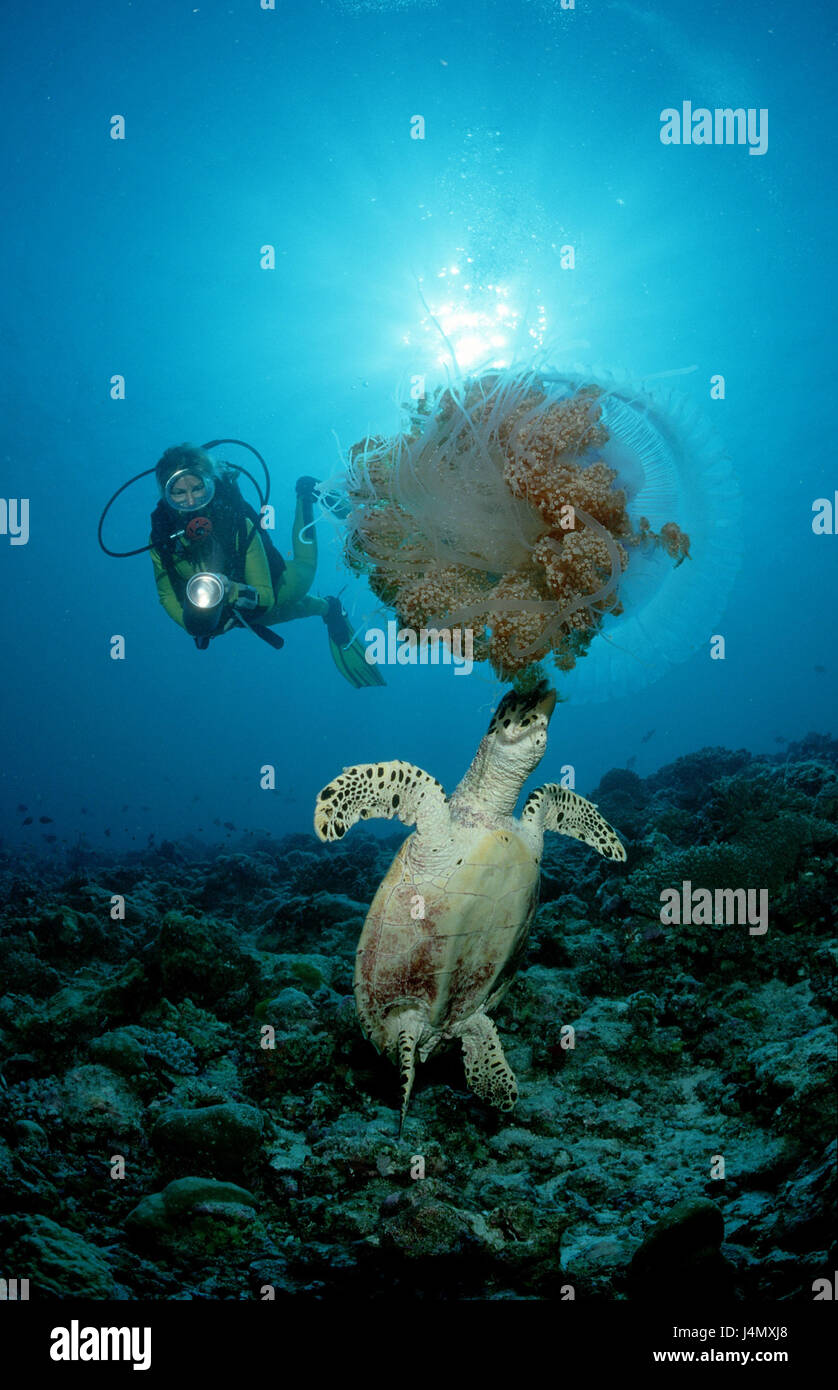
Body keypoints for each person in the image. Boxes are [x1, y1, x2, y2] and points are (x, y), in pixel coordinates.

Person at [149, 444, 383, 687]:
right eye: (178, 493)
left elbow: (267, 597)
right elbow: (166, 594)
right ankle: (330, 609)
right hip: (242, 617)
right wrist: (194, 625)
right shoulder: (160, 538)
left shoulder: (237, 522)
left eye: (198, 488)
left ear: (209, 483)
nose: (191, 501)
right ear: (165, 494)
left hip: (277, 586)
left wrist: (232, 590)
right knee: (290, 612)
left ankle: (306, 493)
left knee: (304, 571)